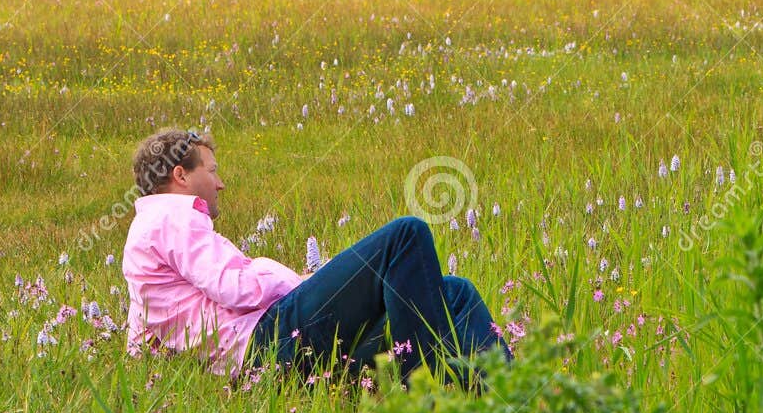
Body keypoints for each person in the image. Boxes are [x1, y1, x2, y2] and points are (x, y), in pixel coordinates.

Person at [121, 128, 509, 388]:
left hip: (271, 360)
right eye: (212, 170)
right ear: (181, 175)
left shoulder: (147, 231)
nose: (220, 182)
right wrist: (291, 280)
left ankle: (496, 392)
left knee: (451, 292)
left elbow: (139, 335)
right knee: (406, 235)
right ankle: (425, 389)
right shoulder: (173, 216)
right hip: (266, 343)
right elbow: (235, 288)